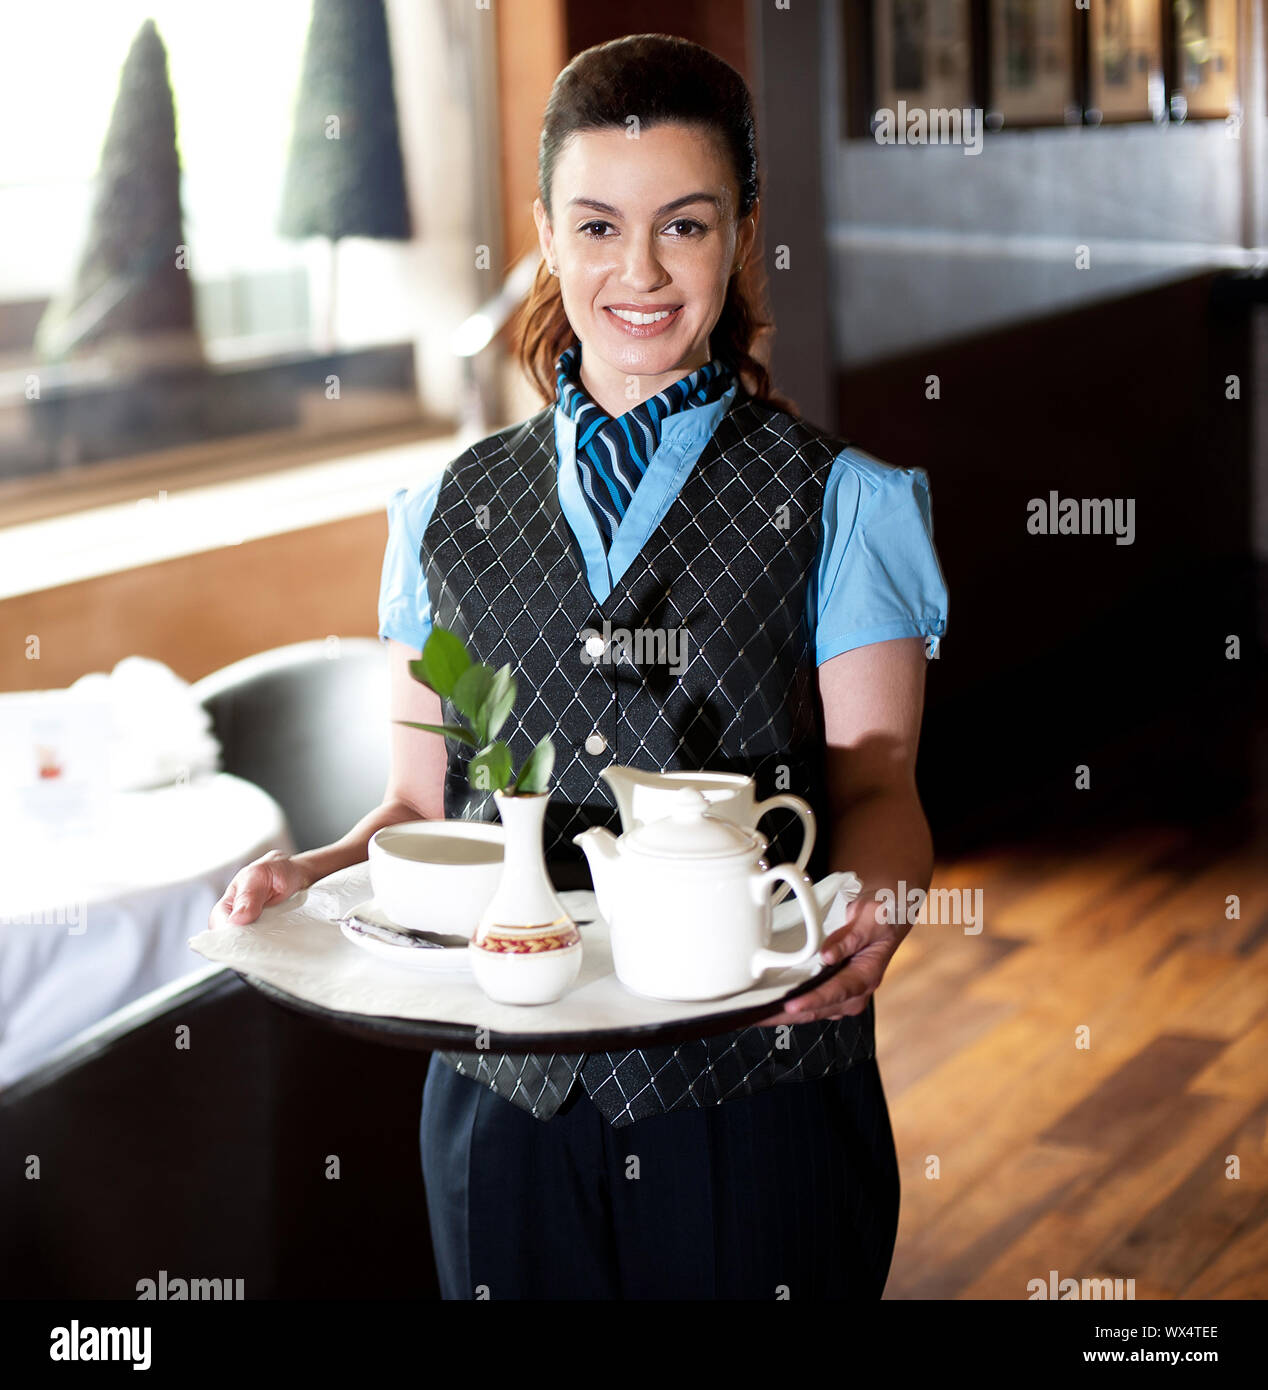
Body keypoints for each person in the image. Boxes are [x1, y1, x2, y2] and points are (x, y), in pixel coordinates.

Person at [211, 33, 949, 1300]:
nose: (641, 272)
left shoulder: (846, 505)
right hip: (504, 1110)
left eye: (685, 224)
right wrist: (313, 873)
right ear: (545, 234)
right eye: (597, 226)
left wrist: (873, 911)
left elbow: (877, 787)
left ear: (740, 233)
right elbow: (416, 804)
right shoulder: (435, 515)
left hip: (750, 1097)